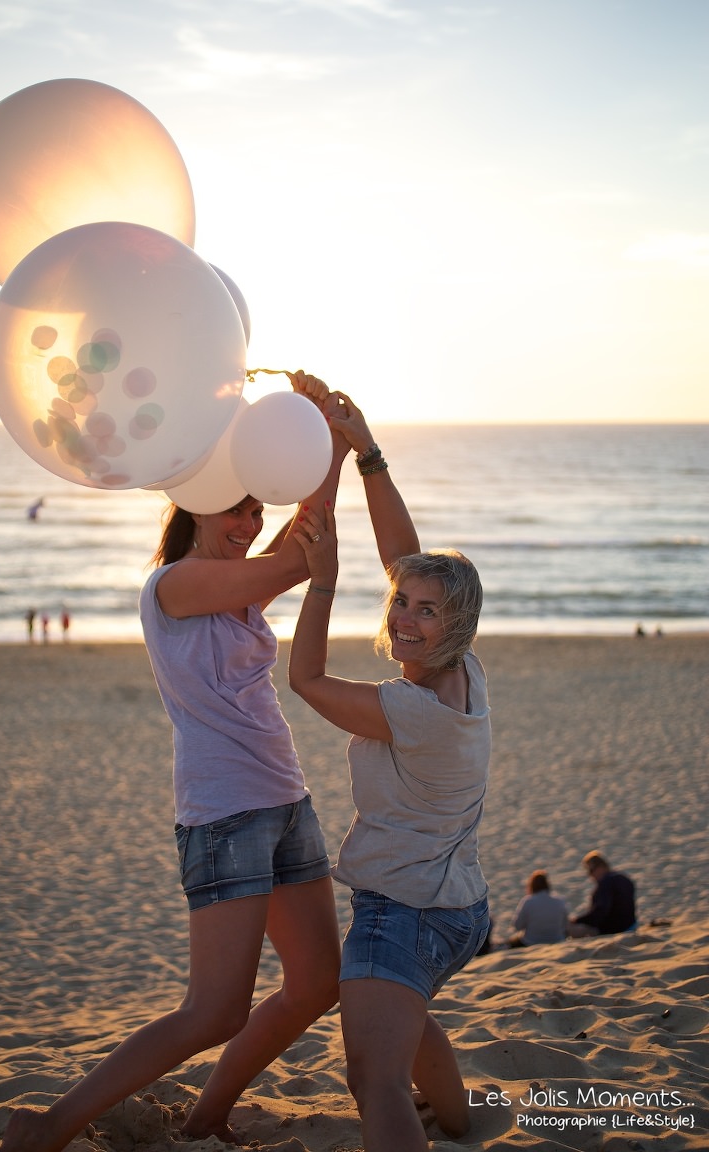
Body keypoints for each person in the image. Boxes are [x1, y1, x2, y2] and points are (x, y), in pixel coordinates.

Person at [0, 373, 348, 1152]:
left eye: (259, 506)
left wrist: (325, 436)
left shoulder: (235, 590)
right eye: (240, 505)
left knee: (319, 984)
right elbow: (297, 561)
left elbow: (302, 542)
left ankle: (208, 1114)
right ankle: (46, 1124)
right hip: (225, 814)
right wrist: (326, 458)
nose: (253, 520)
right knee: (214, 1010)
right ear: (194, 502)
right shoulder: (178, 586)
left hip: (286, 799)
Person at [288, 395, 491, 1152]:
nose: (404, 614)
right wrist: (365, 451)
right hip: (459, 905)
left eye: (424, 611)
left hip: (402, 907)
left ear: (456, 627)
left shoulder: (412, 712)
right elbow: (406, 558)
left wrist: (321, 581)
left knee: (374, 1079)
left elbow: (304, 679)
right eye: (401, 603)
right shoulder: (463, 673)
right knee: (404, 1015)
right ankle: (463, 1124)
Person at [567, 851, 637, 937]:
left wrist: (577, 920)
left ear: (601, 867)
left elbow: (599, 913)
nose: (590, 875)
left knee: (570, 928)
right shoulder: (624, 878)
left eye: (591, 870)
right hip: (630, 926)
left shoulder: (605, 883)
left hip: (612, 930)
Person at [508, 870, 568, 947]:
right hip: (557, 940)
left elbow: (517, 926)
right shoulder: (560, 900)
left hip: (532, 942)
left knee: (512, 942)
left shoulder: (528, 901)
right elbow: (565, 924)